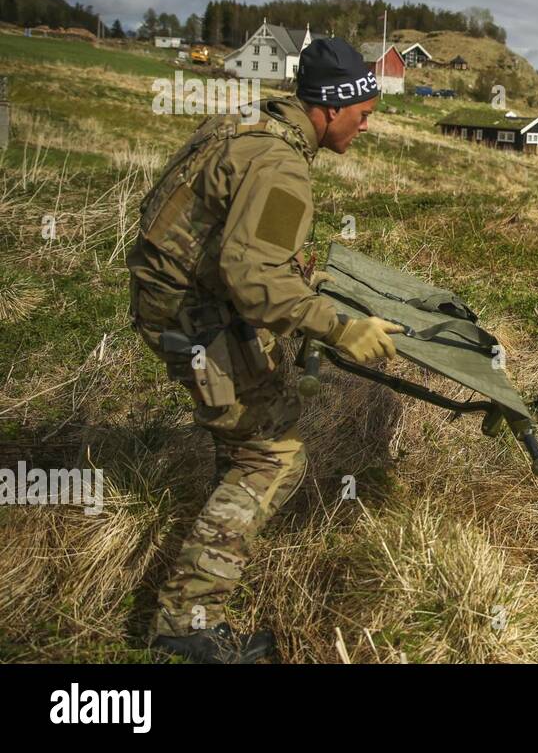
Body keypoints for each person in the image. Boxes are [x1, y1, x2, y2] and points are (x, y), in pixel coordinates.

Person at [127, 37, 404, 662]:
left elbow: (229, 241)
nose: (368, 123)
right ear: (330, 109)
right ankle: (184, 625)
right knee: (273, 455)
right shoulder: (281, 165)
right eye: (363, 110)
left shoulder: (249, 119)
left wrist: (296, 286)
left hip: (176, 298)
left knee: (257, 428)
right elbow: (250, 273)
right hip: (190, 316)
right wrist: (335, 325)